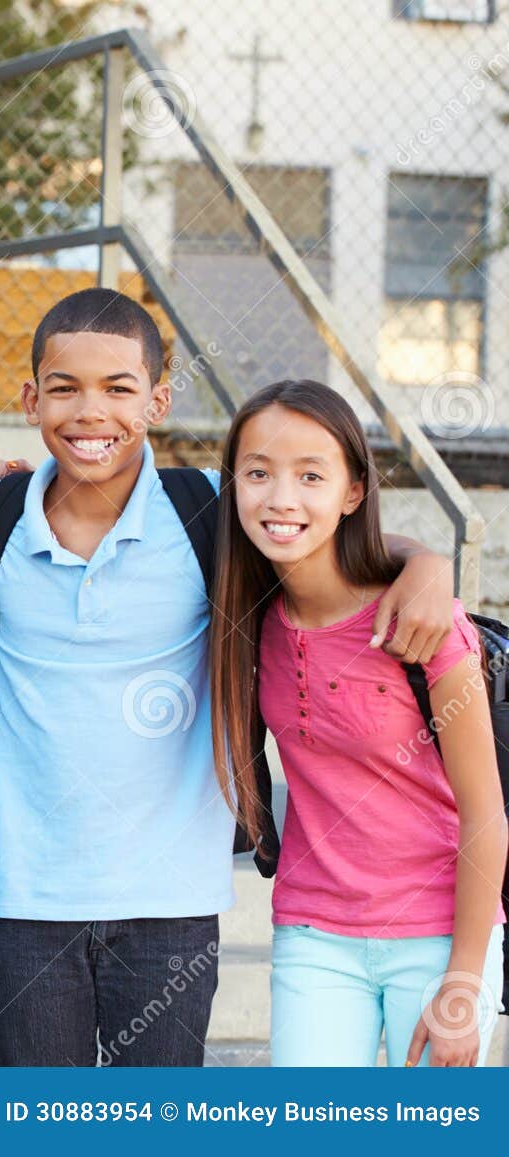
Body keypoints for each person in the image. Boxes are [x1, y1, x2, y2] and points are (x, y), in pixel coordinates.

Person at [0, 288, 456, 1065]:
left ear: (160, 399)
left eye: (118, 389)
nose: (89, 411)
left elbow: (318, 535)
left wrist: (426, 561)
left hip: (172, 902)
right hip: (22, 899)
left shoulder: (208, 511)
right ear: (31, 398)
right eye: (65, 388)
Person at [210, 378, 506, 1066]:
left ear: (351, 492)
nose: (282, 497)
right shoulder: (253, 617)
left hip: (438, 932)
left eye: (311, 475)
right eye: (259, 473)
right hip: (315, 932)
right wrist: (26, 475)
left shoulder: (425, 623)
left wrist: (464, 975)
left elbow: (485, 811)